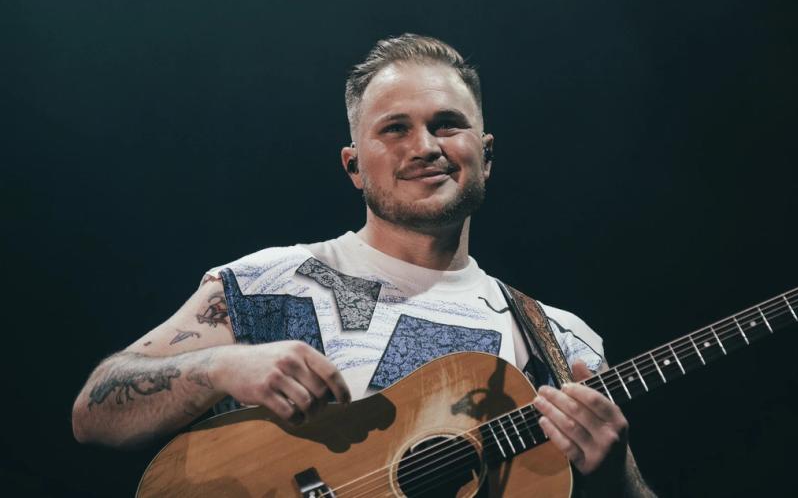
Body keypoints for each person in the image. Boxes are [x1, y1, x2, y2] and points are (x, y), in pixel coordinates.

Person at [71, 34, 656, 497]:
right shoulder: (270, 282)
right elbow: (94, 412)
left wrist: (616, 479)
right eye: (396, 128)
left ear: (487, 154)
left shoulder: (561, 342)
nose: (425, 146)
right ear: (353, 166)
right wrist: (222, 367)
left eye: (447, 124)